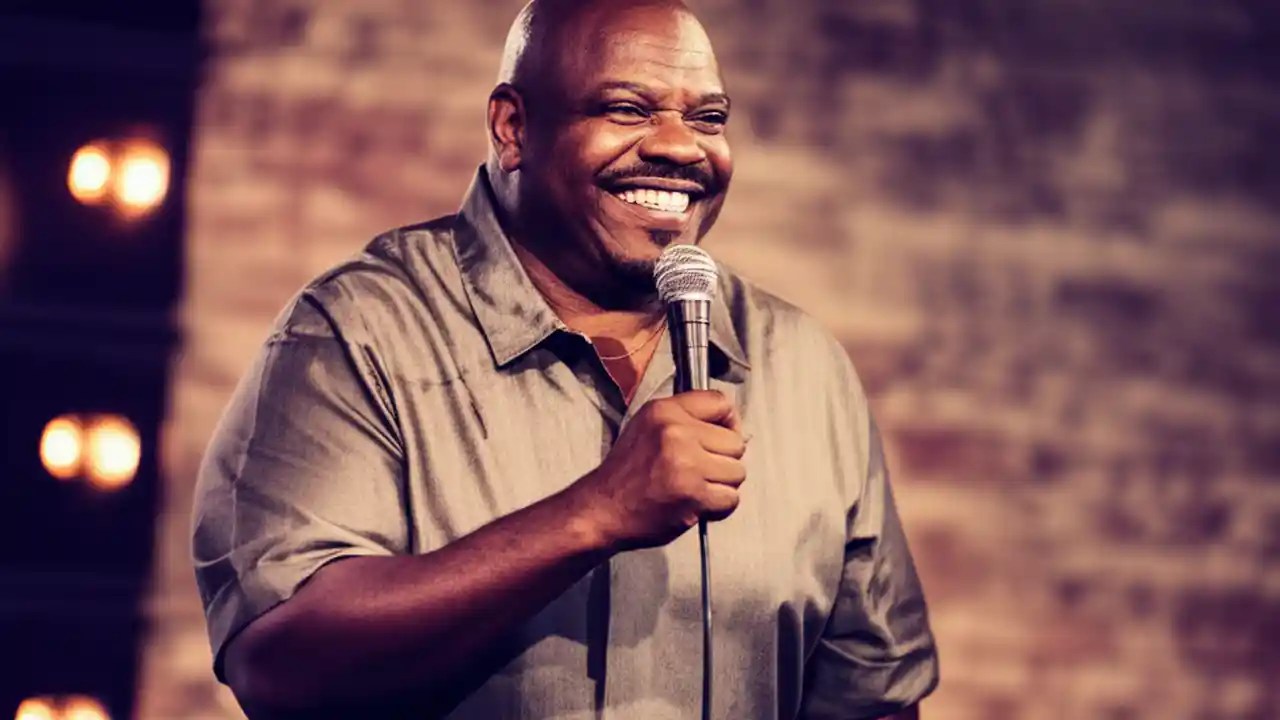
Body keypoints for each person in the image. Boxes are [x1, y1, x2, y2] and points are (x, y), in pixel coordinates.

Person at [191, 0, 940, 717]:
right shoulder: (359, 332)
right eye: (627, 109)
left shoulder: (805, 367)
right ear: (513, 127)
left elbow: (869, 697)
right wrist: (596, 513)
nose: (681, 146)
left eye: (707, 117)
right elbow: (278, 664)